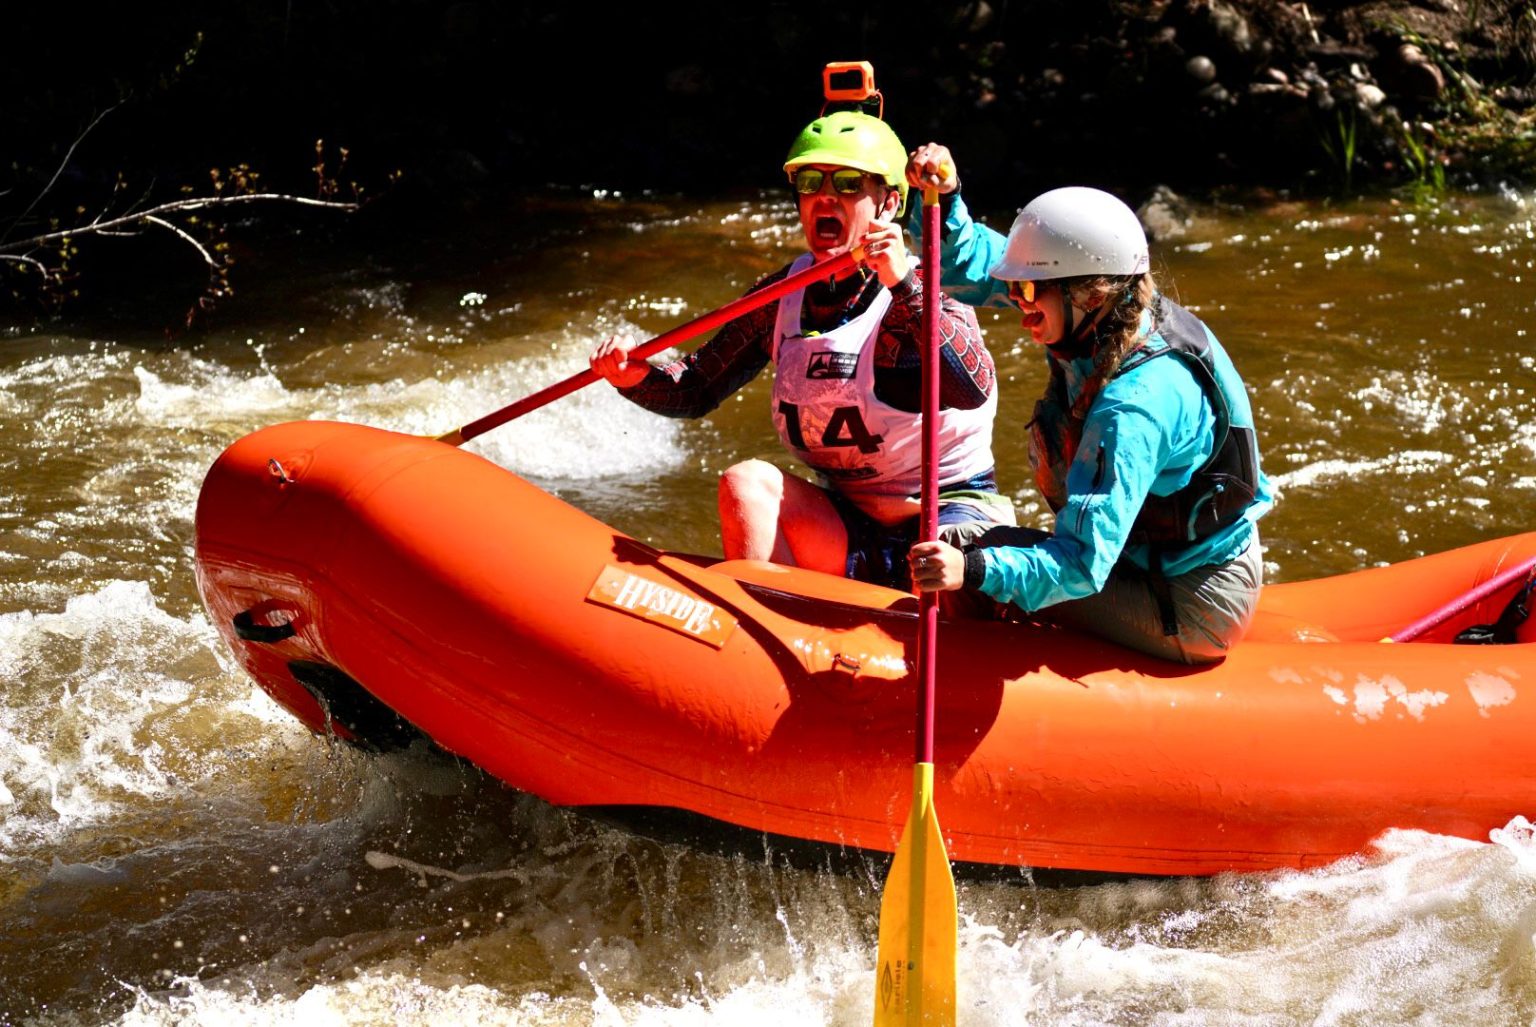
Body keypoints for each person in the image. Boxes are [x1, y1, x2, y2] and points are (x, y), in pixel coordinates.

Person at [588, 114, 1014, 589]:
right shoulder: (780, 296)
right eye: (812, 182)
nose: (826, 197)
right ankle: (760, 628)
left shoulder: (929, 285)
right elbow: (697, 387)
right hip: (849, 525)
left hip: (948, 524)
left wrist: (904, 284)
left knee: (945, 563)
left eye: (850, 183)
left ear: (890, 203)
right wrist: (634, 377)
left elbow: (969, 386)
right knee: (746, 482)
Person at [903, 143, 1272, 663]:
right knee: (957, 536)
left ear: (1091, 295)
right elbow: (973, 266)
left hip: (1186, 604)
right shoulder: (1102, 315)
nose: (1020, 307)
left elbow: (1081, 565)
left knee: (967, 560)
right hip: (1143, 562)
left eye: (1031, 292)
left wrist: (978, 572)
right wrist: (942, 198)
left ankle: (969, 681)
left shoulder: (1134, 405)